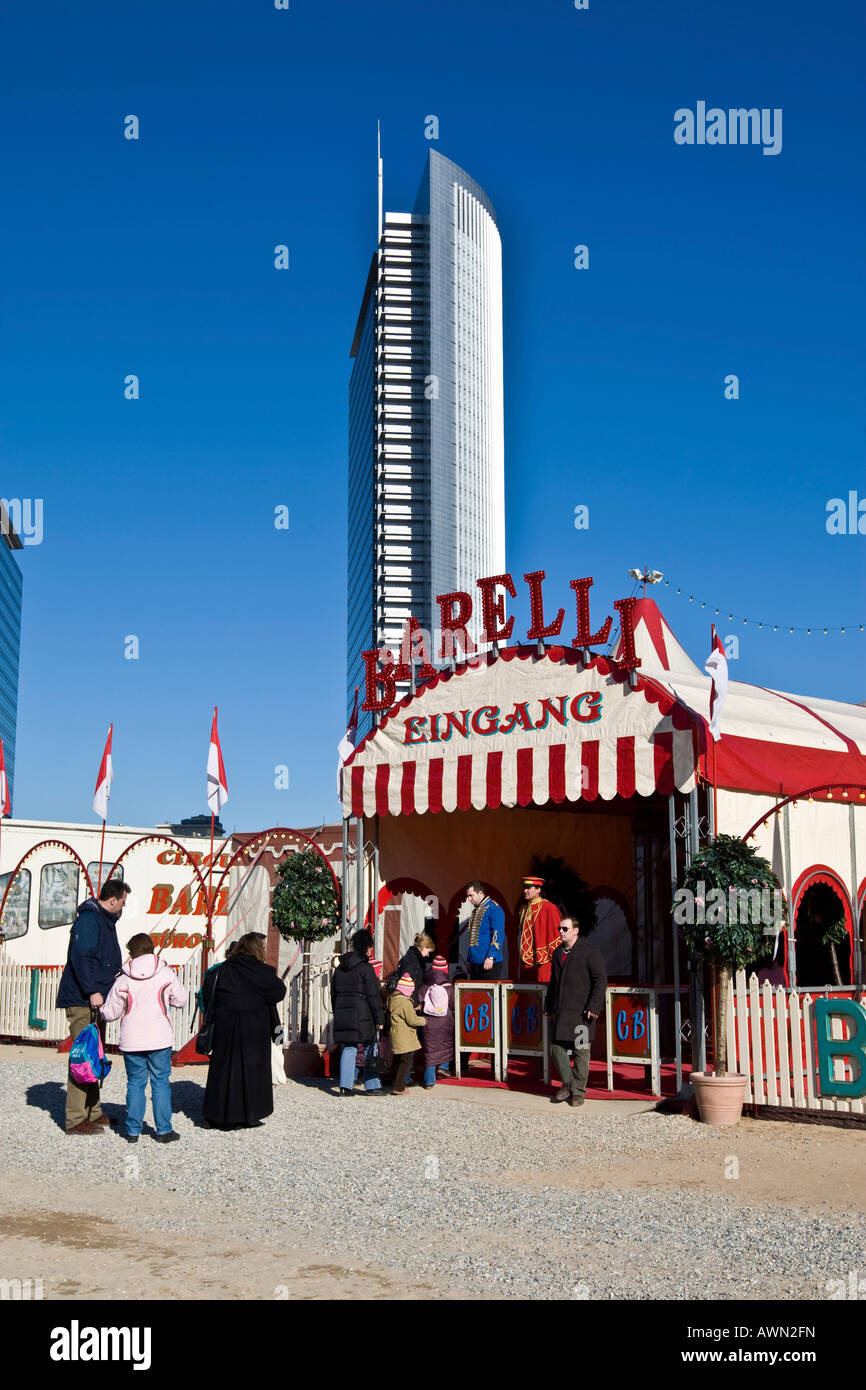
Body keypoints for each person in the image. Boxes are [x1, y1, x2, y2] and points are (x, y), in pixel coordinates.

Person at [56, 878, 131, 1136]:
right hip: (84, 999)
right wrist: (92, 990)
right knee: (82, 1056)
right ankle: (75, 1118)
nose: (123, 906)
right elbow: (81, 957)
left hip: (97, 999)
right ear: (113, 900)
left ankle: (93, 1110)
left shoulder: (103, 920)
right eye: (122, 901)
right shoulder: (90, 920)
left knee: (95, 1055)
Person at [99, 933, 188, 1142]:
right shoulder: (165, 974)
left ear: (131, 953)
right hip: (159, 1037)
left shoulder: (123, 978)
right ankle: (164, 1130)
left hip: (132, 1039)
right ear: (152, 949)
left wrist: (100, 1009)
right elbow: (182, 1000)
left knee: (135, 1083)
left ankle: (132, 1131)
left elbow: (110, 1013)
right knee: (160, 1083)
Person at [201, 932, 287, 1128]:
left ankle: (216, 1114)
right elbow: (278, 992)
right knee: (251, 1072)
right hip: (253, 1025)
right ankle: (248, 1113)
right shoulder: (262, 971)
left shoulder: (222, 970)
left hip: (225, 1023)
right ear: (257, 949)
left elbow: (208, 993)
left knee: (222, 1069)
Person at [544, 915, 606, 1108]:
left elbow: (600, 980)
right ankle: (570, 1084)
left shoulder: (589, 952)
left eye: (565, 929)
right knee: (556, 1048)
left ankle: (578, 1092)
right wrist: (548, 1005)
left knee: (581, 1051)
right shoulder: (557, 954)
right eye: (559, 929)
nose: (561, 932)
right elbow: (553, 982)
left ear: (575, 930)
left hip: (583, 1012)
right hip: (561, 1012)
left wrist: (594, 1007)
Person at [330, 928, 386, 1097]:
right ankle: (372, 1085)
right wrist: (380, 1017)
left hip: (343, 1012)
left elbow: (333, 994)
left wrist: (337, 1011)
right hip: (363, 1014)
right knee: (370, 1047)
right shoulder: (366, 969)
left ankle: (345, 1087)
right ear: (368, 947)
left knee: (348, 1047)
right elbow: (373, 995)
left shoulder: (340, 968)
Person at [418, 955, 454, 1086]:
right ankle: (444, 1067)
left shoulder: (425, 986)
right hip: (445, 1022)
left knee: (431, 1052)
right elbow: (453, 1005)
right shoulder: (448, 987)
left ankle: (429, 1081)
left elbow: (420, 1001)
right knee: (446, 1045)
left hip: (428, 1022)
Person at [388, 973, 426, 1095]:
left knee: (399, 1061)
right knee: (405, 1062)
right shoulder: (405, 1002)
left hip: (397, 1035)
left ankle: (396, 1083)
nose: (411, 993)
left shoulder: (394, 999)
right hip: (404, 1037)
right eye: (411, 991)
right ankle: (399, 1087)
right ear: (406, 991)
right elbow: (412, 1020)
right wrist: (424, 1020)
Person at [518, 876, 561, 983]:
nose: (525, 890)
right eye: (524, 887)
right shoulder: (525, 908)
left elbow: (557, 936)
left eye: (528, 887)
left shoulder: (549, 908)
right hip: (526, 961)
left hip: (544, 962)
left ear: (538, 890)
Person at [464, 882, 505, 981]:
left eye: (471, 895)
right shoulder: (476, 910)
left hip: (489, 962)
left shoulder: (494, 908)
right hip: (475, 963)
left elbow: (497, 934)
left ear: (480, 893)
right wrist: (470, 960)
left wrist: (491, 956)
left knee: (488, 995)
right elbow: (472, 939)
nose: (469, 899)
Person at [393, 931, 437, 998]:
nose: (428, 955)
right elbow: (409, 986)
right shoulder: (413, 962)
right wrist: (415, 1002)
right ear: (424, 947)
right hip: (409, 999)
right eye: (428, 952)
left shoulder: (412, 957)